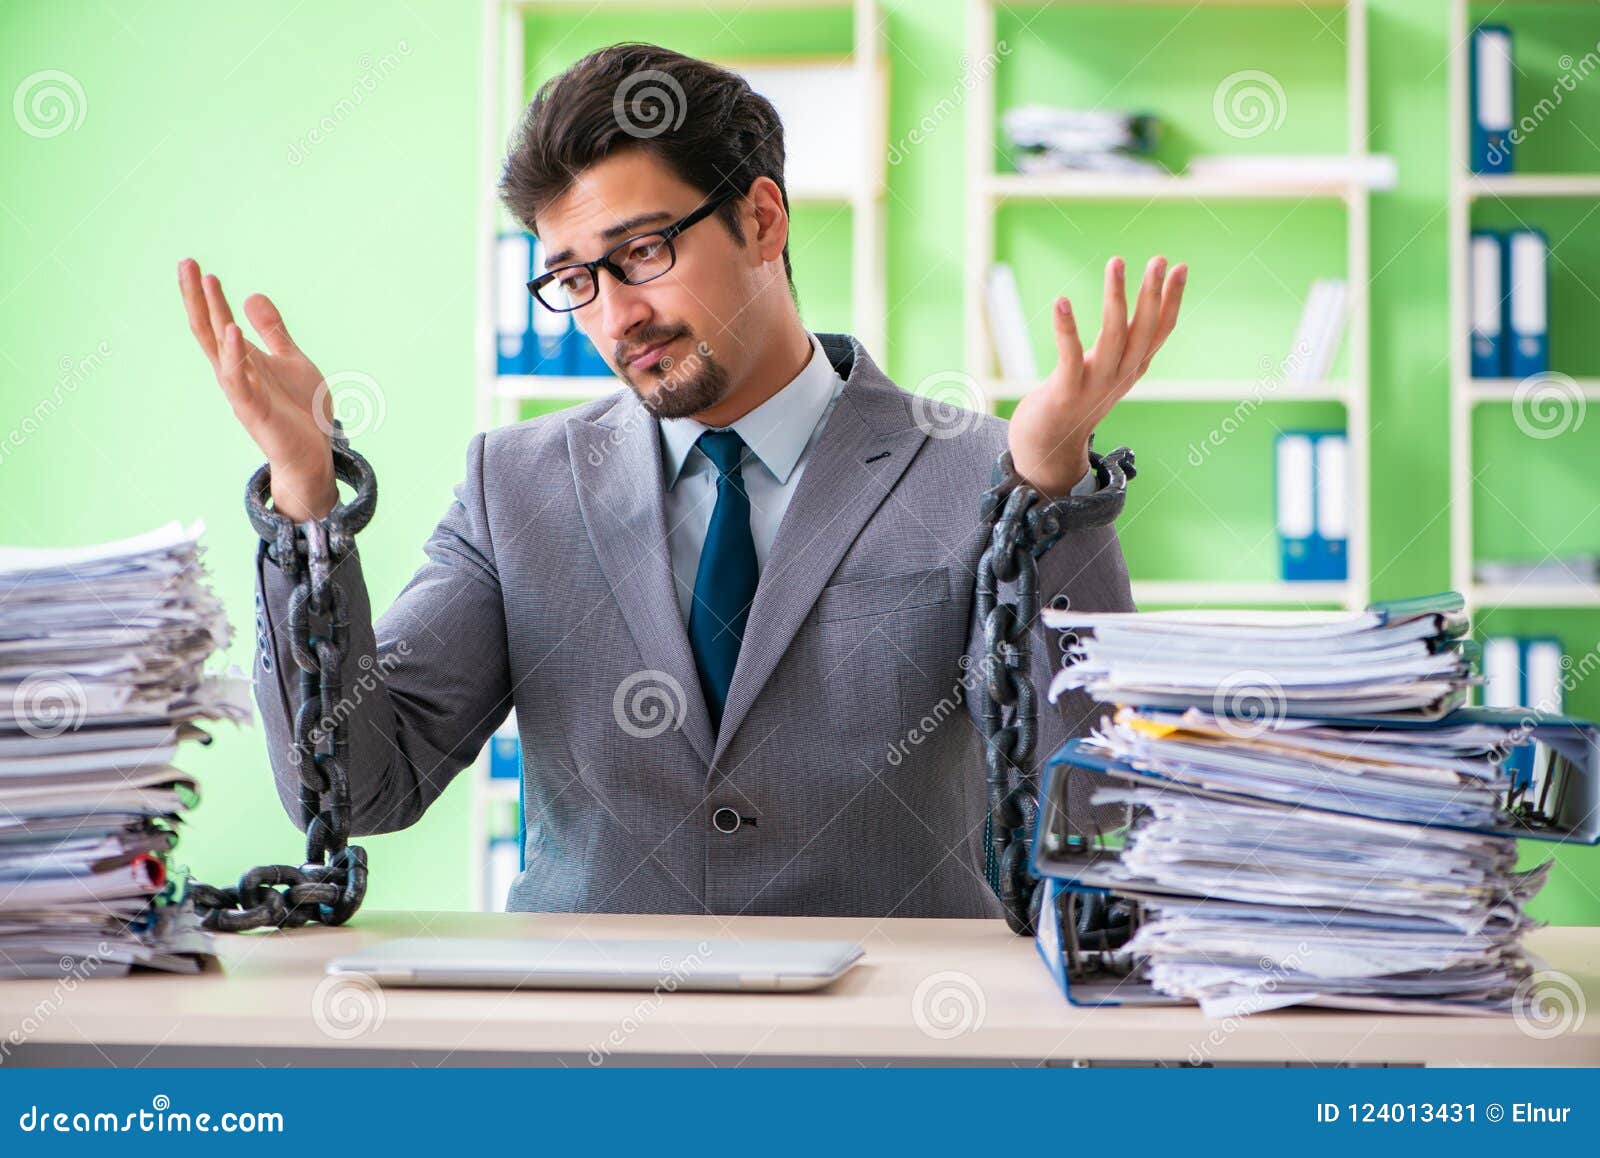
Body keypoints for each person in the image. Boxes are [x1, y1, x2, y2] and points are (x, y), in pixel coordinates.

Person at [176, 42, 1185, 918]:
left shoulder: (977, 472)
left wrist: (1051, 489)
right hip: (596, 1071)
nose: (615, 318)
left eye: (643, 253)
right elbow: (360, 788)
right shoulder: (514, 484)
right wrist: (304, 489)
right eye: (575, 279)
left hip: (891, 1054)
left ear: (761, 220)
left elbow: (1086, 793)